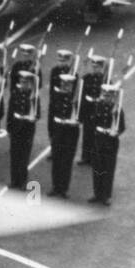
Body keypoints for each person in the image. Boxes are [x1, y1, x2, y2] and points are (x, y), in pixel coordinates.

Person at [89, 83, 125, 206]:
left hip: (110, 142)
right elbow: (92, 122)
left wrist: (116, 131)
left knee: (108, 169)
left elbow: (122, 127)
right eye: (104, 95)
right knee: (97, 168)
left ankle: (106, 195)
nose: (106, 98)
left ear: (113, 96)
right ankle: (97, 194)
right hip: (98, 140)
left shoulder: (117, 110)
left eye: (109, 96)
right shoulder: (97, 106)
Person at [47, 65, 80, 199]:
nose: (66, 86)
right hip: (58, 131)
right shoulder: (56, 97)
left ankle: (64, 189)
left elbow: (83, 116)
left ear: (72, 86)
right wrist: (52, 132)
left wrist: (76, 121)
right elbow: (52, 115)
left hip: (71, 133)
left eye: (69, 85)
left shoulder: (76, 100)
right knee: (56, 160)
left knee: (67, 161)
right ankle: (56, 187)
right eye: (64, 84)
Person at [7, 70, 39, 189]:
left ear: (30, 83)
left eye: (25, 82)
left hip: (27, 131)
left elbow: (37, 114)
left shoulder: (34, 97)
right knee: (14, 157)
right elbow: (10, 113)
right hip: (15, 129)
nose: (23, 84)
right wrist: (9, 129)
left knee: (24, 158)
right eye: (21, 82)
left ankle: (22, 182)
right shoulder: (15, 94)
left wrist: (31, 118)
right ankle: (14, 181)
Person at [78, 55, 106, 165]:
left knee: (97, 136)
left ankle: (95, 158)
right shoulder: (86, 78)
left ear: (101, 68)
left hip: (98, 111)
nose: (95, 69)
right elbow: (82, 95)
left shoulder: (105, 80)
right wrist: (81, 114)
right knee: (87, 135)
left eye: (97, 67)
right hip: (88, 110)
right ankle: (85, 157)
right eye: (93, 67)